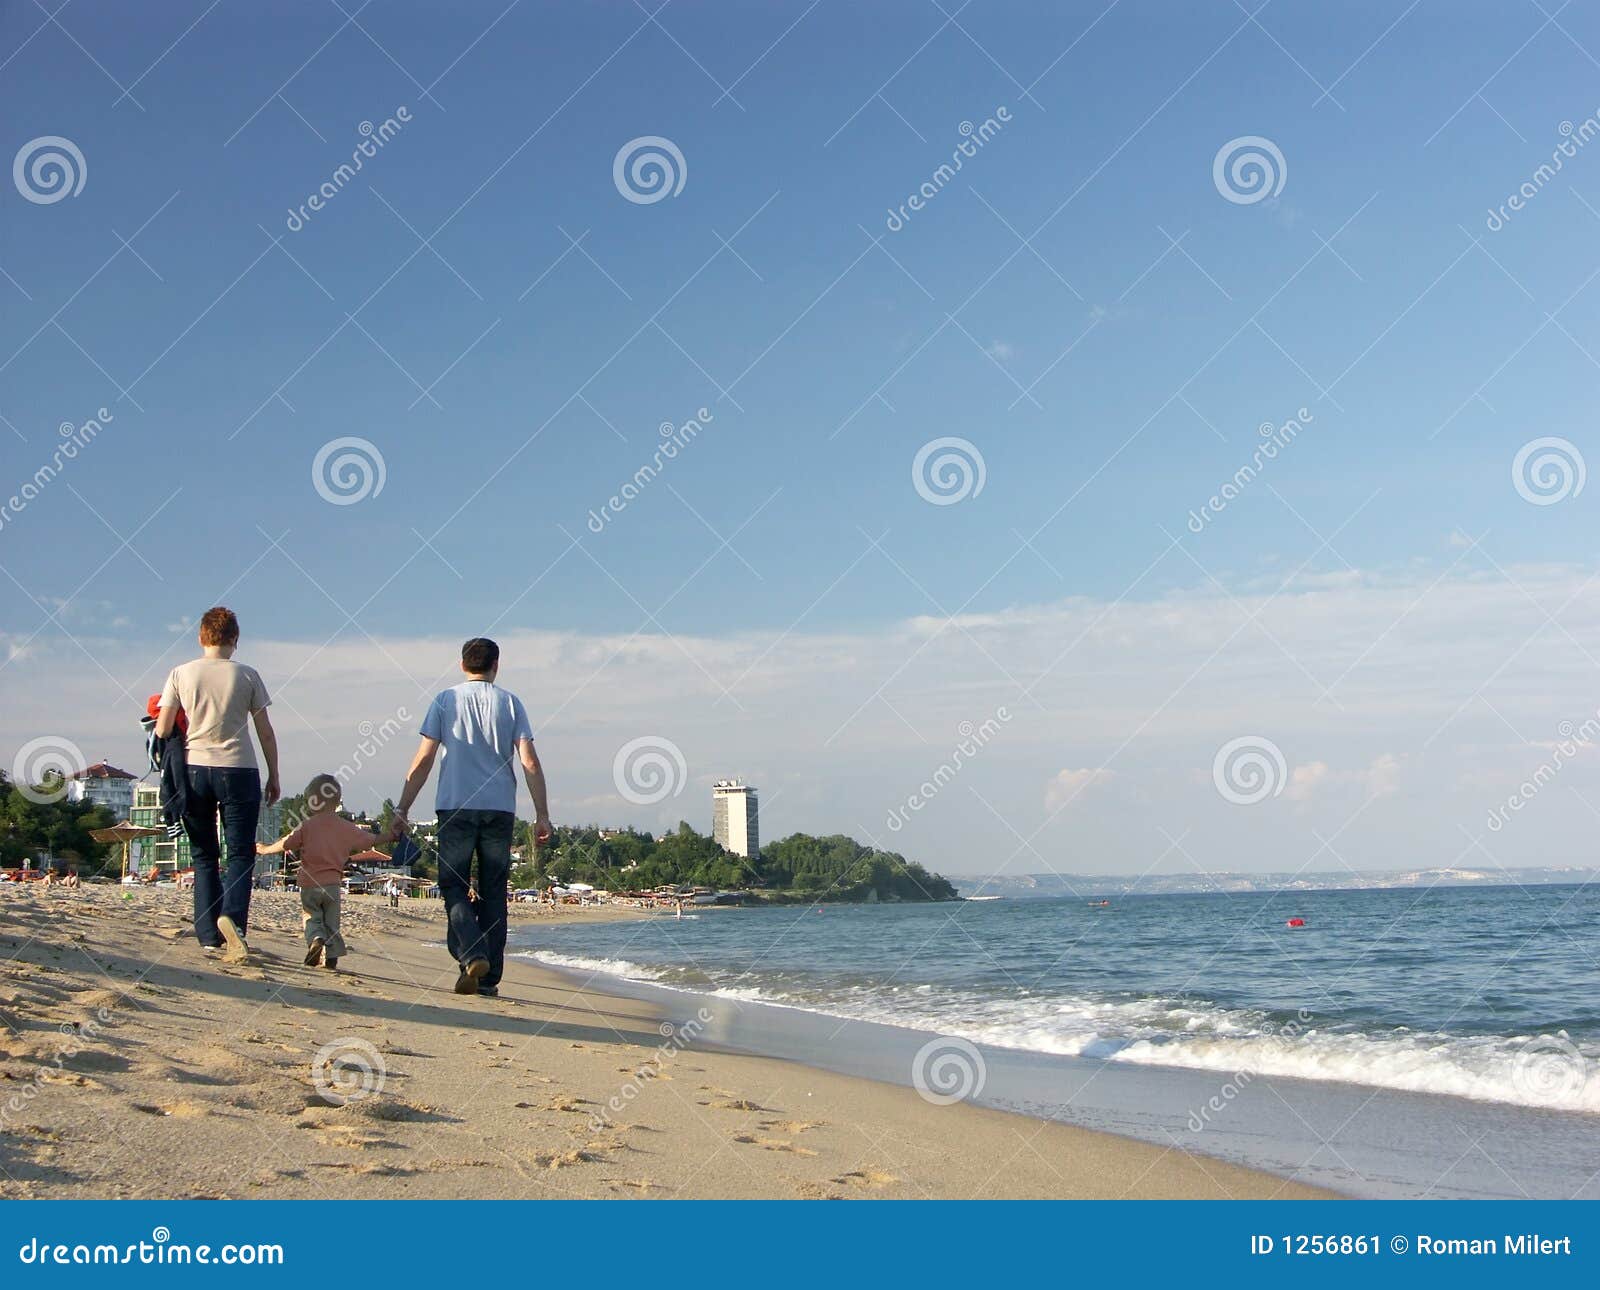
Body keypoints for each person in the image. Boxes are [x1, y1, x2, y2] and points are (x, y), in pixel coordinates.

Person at [395, 637, 551, 998]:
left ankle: (471, 952)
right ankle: (488, 977)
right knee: (494, 891)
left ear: (462, 664)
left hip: (456, 804)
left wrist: (402, 808)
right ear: (496, 665)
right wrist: (542, 814)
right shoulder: (511, 703)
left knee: (453, 886)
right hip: (499, 808)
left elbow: (423, 760)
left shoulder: (445, 700)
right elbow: (530, 762)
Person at [155, 607, 279, 963]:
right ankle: (233, 922)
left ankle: (207, 934)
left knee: (204, 854)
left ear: (201, 637)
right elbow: (265, 731)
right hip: (239, 769)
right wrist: (275, 774)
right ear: (235, 640)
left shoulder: (180, 673)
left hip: (194, 769)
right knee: (241, 853)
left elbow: (163, 729)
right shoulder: (248, 676)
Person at [257, 774, 394, 970]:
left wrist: (264, 849)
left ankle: (315, 939)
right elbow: (370, 840)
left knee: (311, 916)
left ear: (312, 801)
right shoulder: (346, 827)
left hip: (310, 883)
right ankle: (331, 958)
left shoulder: (307, 826)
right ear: (338, 802)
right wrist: (391, 835)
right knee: (332, 923)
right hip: (333, 885)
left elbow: (285, 843)